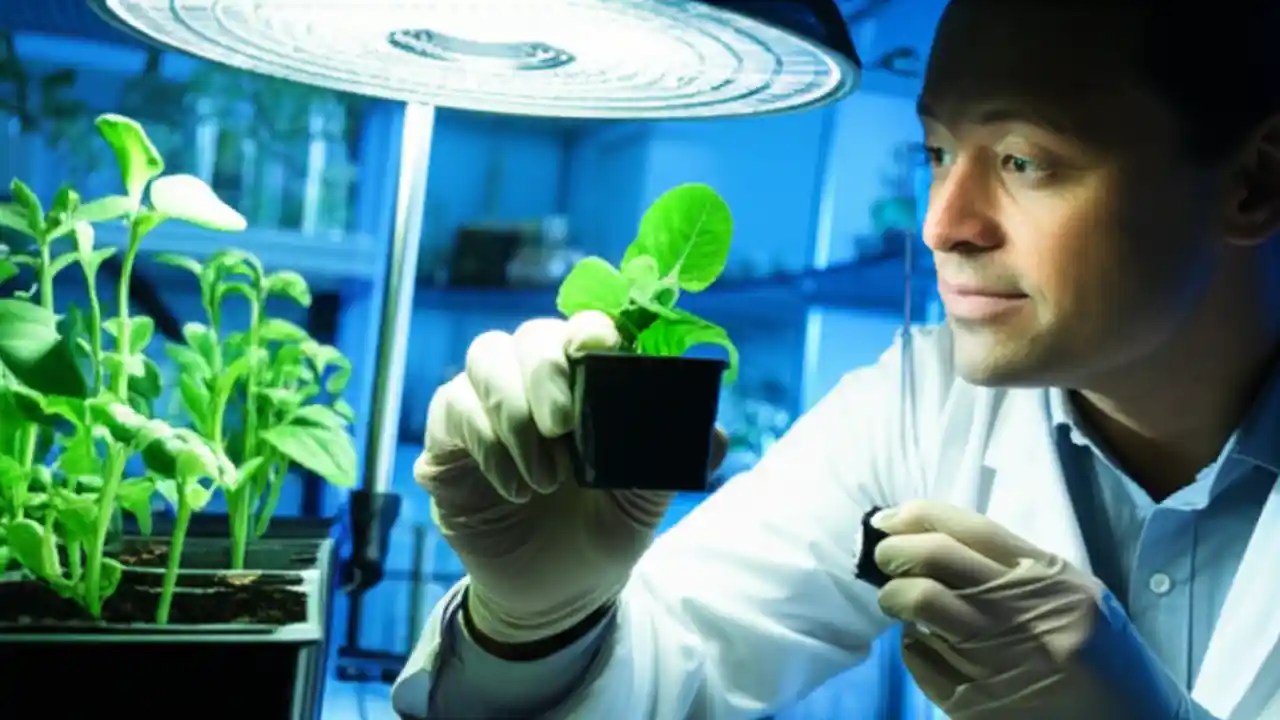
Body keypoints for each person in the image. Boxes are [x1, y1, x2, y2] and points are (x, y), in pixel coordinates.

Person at [392, 0, 1280, 717]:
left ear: (1253, 185)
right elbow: (673, 667)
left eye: (1024, 160)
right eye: (937, 153)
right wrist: (538, 623)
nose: (941, 224)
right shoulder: (919, 406)